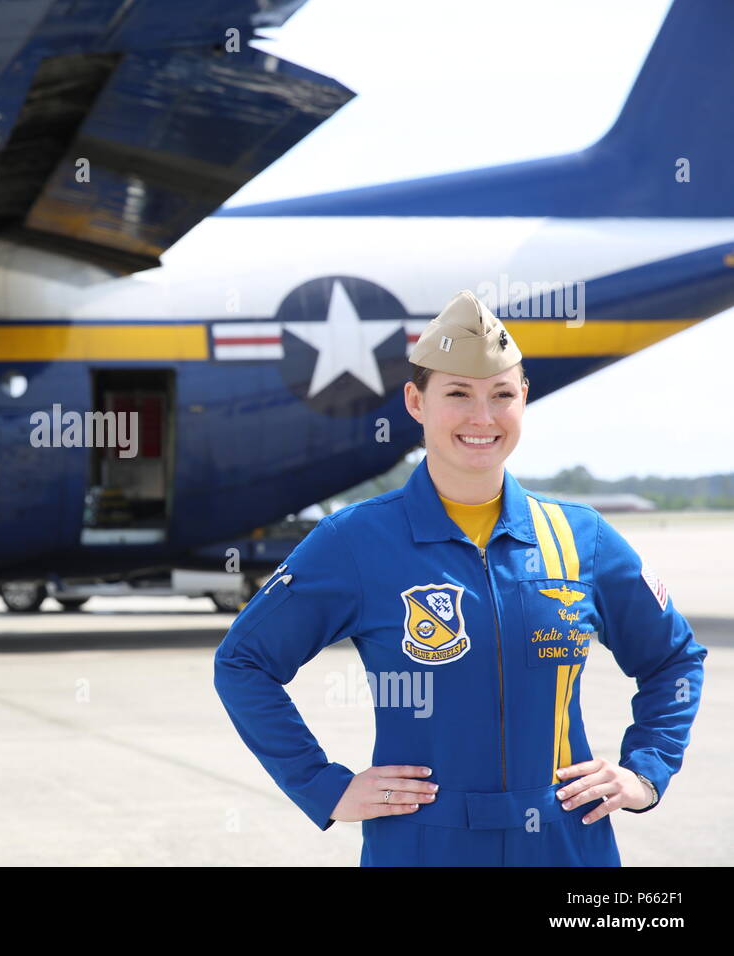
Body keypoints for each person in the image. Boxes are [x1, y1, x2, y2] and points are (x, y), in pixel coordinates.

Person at [212, 290, 706, 866]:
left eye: (501, 395)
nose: (482, 417)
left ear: (524, 397)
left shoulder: (581, 538)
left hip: (566, 843)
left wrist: (645, 773)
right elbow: (243, 663)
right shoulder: (355, 542)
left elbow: (673, 658)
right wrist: (324, 786)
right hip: (423, 842)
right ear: (415, 402)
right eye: (458, 395)